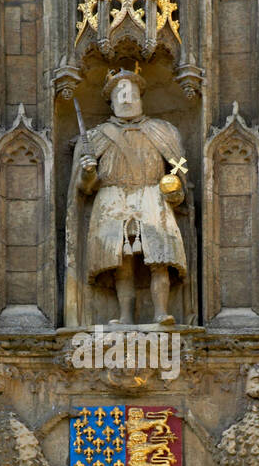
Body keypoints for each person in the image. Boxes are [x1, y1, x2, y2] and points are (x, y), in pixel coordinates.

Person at [73, 67, 187, 325]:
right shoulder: (97, 136)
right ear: (110, 100)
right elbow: (83, 187)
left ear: (140, 96)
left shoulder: (163, 131)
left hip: (152, 196)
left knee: (160, 257)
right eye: (120, 94)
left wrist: (176, 188)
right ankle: (125, 316)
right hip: (112, 201)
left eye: (131, 92)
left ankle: (161, 313)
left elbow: (181, 167)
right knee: (121, 261)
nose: (126, 98)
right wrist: (88, 172)